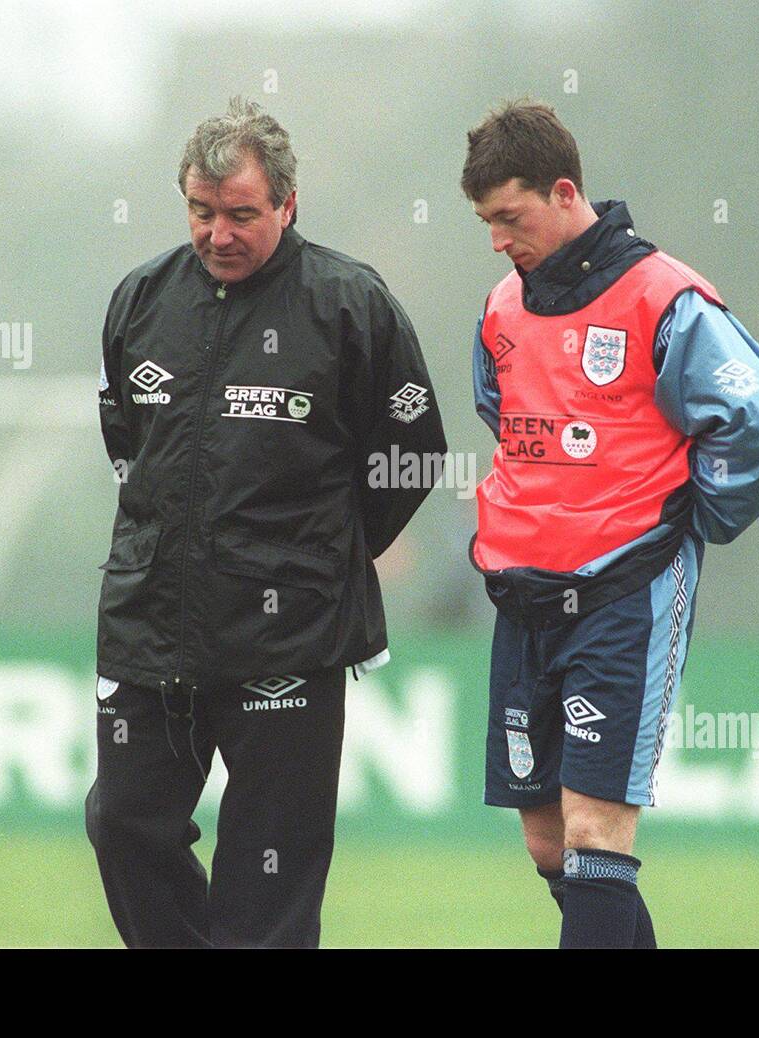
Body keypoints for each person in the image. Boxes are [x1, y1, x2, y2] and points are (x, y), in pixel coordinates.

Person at [85, 97, 447, 948]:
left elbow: (413, 454)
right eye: (201, 213)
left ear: (288, 203)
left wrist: (320, 556)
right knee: (123, 826)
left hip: (289, 640)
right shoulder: (140, 299)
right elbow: (127, 446)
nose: (219, 233)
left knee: (269, 874)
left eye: (241, 214)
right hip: (150, 628)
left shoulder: (349, 304)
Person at [462, 99, 759, 948]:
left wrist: (697, 515)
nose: (498, 239)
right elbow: (500, 412)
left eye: (510, 216)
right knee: (548, 844)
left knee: (596, 834)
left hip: (627, 591)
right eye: (485, 222)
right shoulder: (503, 305)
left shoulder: (662, 295)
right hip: (525, 596)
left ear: (565, 191)